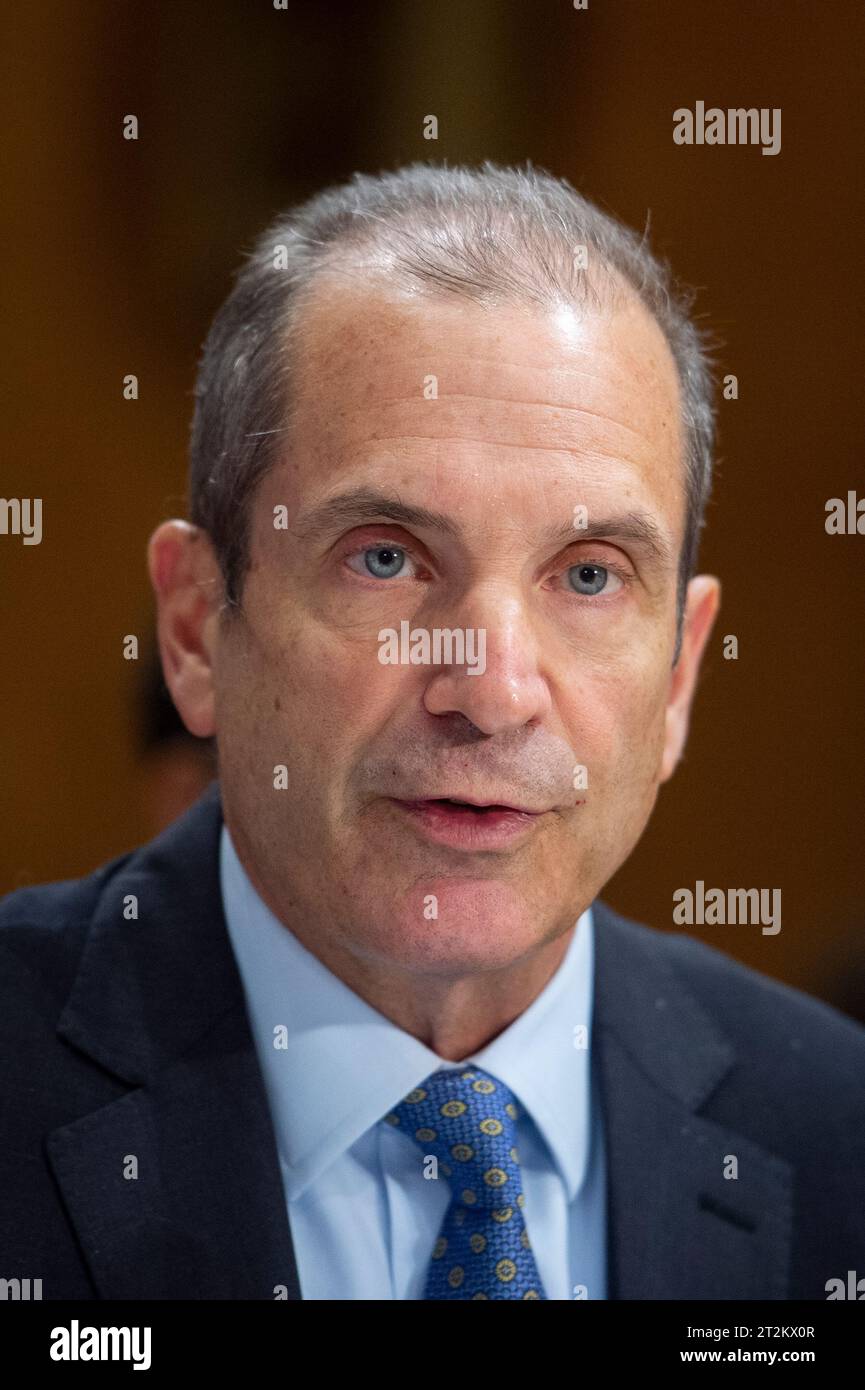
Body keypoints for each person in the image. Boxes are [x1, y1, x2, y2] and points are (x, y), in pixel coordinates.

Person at [2, 162, 862, 1301]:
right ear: (198, 629)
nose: (492, 690)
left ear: (679, 672)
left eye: (590, 575)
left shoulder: (835, 1127)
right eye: (387, 558)